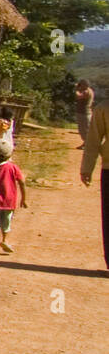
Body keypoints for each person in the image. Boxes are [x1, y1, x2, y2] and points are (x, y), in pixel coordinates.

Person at [80, 99, 109, 271]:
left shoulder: (104, 107)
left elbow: (93, 140)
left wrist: (87, 168)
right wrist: (87, 168)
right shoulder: (104, 108)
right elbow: (93, 139)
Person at [75, 80, 95, 148]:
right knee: (85, 129)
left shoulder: (86, 91)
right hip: (84, 113)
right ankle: (87, 143)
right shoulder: (89, 90)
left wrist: (76, 90)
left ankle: (88, 144)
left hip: (84, 113)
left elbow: (78, 96)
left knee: (84, 130)